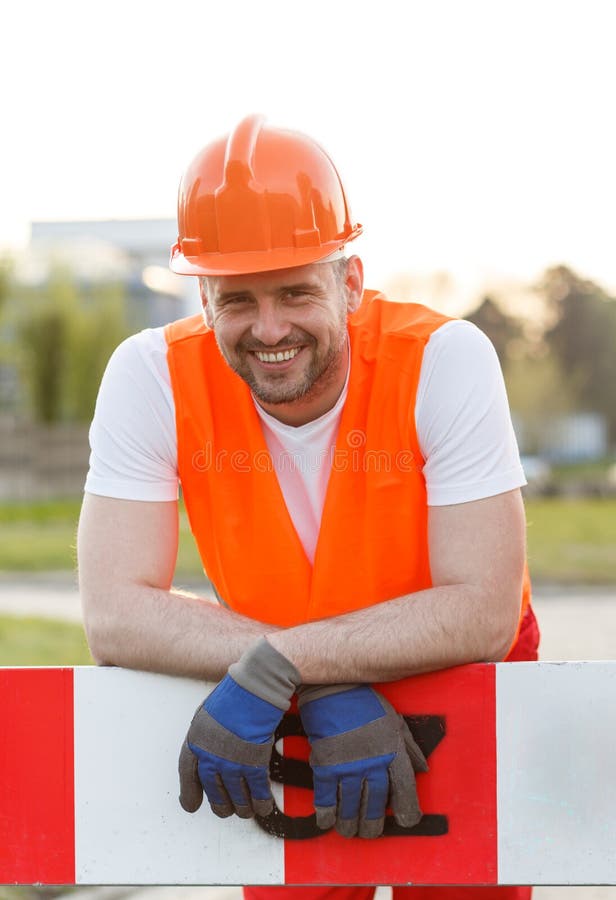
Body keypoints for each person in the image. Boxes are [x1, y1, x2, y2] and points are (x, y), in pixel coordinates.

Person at [78, 114, 540, 900]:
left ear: (351, 281)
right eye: (237, 300)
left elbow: (484, 611)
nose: (269, 329)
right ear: (201, 292)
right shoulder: (149, 377)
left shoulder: (444, 360)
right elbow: (115, 614)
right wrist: (313, 681)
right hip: (273, 702)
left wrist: (280, 663)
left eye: (296, 291)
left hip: (454, 680)